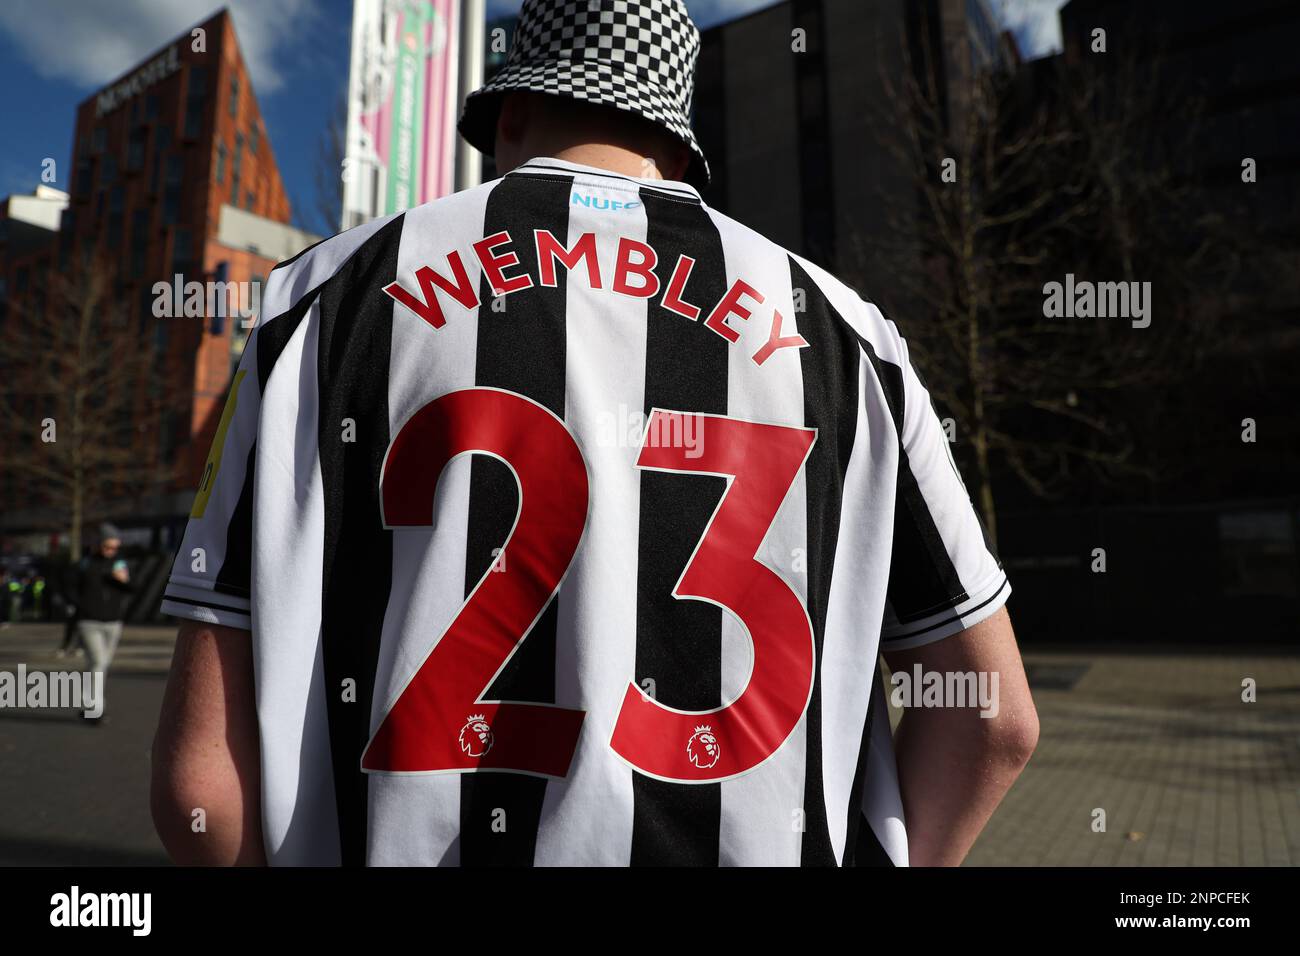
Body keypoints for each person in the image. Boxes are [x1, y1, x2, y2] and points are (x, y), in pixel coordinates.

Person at [152, 0, 1037, 867]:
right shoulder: (850, 338)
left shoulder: (315, 306)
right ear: (679, 146)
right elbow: (993, 719)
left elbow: (201, 784)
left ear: (513, 115)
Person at [73, 524, 134, 681]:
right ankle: (95, 705)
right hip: (89, 621)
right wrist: (78, 607)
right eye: (108, 547)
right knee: (98, 662)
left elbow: (132, 589)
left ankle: (88, 699)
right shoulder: (85, 564)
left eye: (115, 548)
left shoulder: (119, 564)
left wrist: (123, 581)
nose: (111, 551)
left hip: (113, 622)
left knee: (101, 664)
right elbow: (72, 587)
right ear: (99, 544)